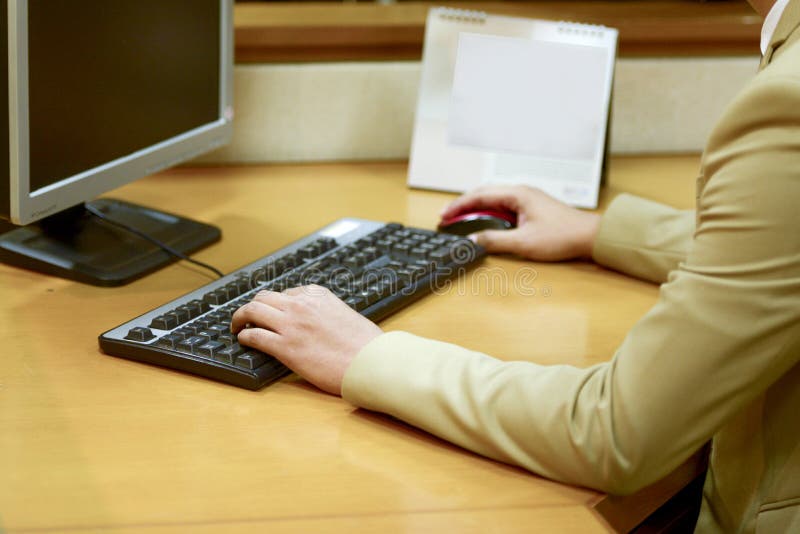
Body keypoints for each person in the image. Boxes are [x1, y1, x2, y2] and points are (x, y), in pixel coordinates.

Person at [231, 0, 800, 530]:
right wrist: (601, 230)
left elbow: (616, 432)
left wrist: (366, 355)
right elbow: (773, 245)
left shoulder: (787, 102)